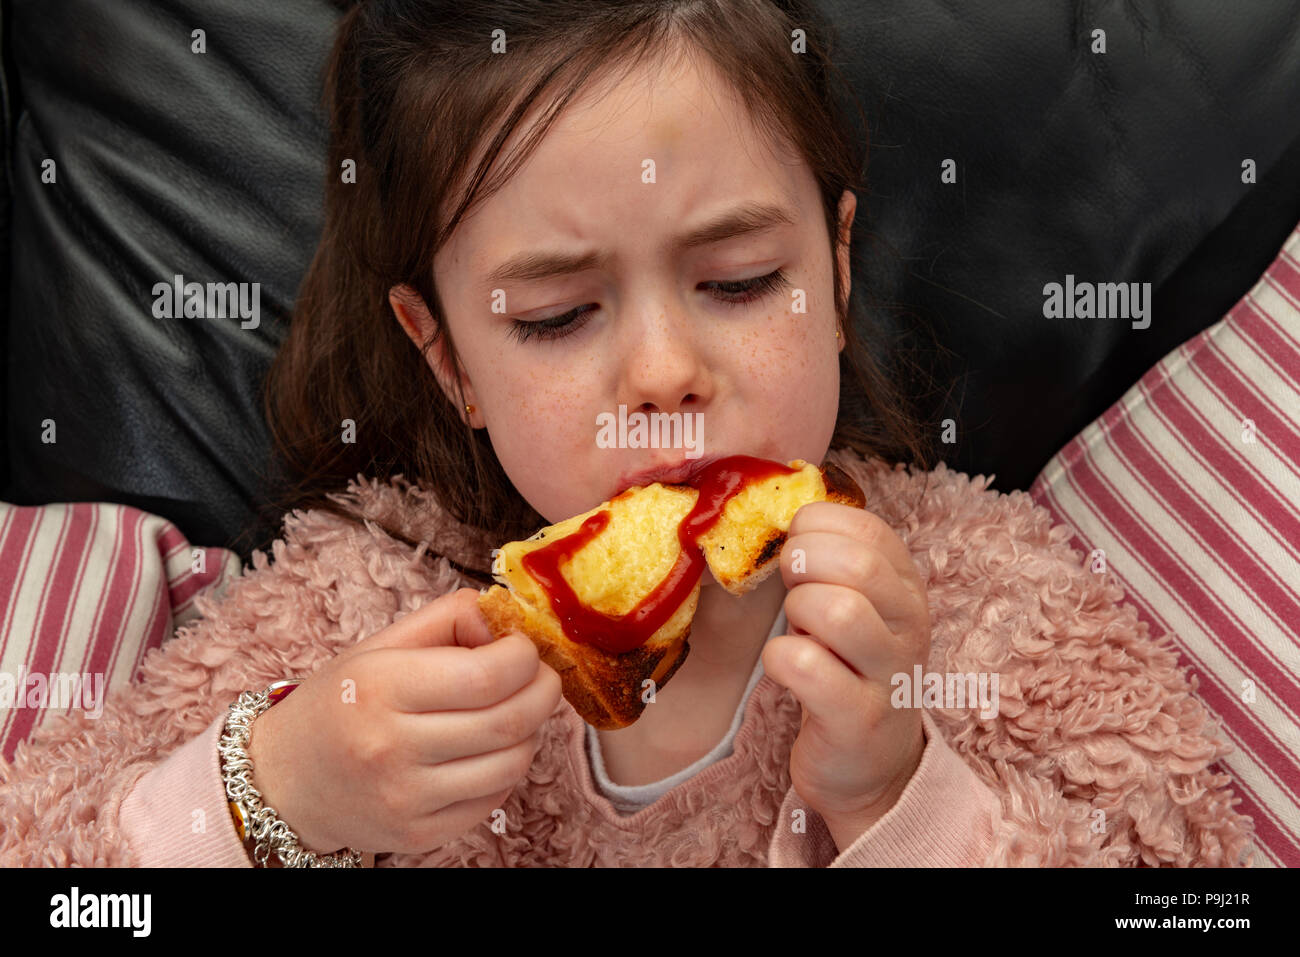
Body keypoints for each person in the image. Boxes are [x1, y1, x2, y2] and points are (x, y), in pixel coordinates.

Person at [0, 0, 1255, 867]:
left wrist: (895, 795)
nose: (662, 373)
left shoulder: (995, 607)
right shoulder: (354, 611)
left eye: (739, 283)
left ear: (833, 261)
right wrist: (268, 795)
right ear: (447, 359)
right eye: (554, 316)